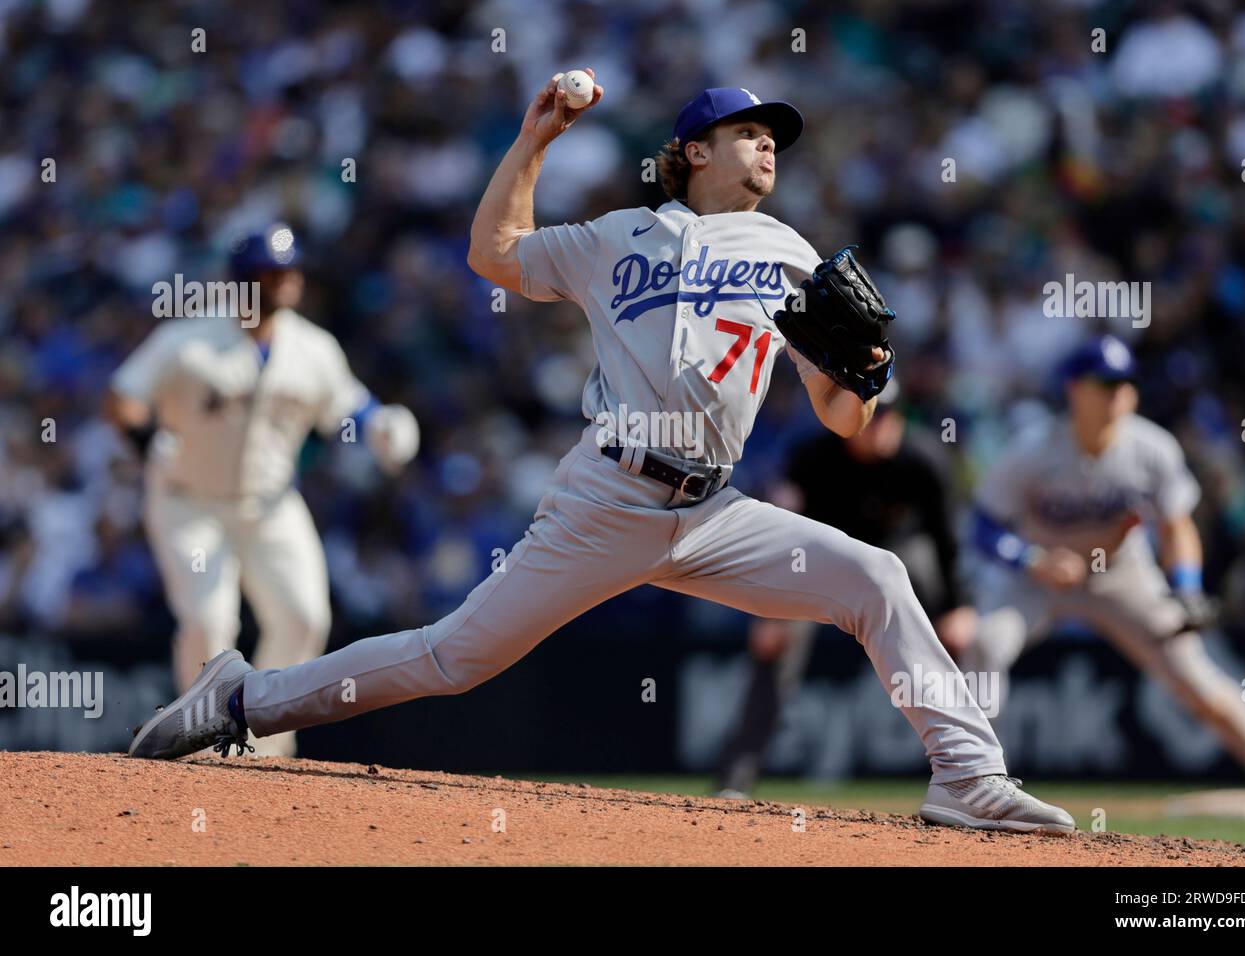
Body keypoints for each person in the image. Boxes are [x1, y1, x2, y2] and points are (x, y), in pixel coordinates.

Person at [128, 74, 1073, 833]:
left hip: (711, 511)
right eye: (749, 131)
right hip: (608, 498)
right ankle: (245, 699)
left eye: (774, 136)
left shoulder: (788, 249)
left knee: (874, 576)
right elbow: (496, 254)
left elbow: (837, 420)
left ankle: (968, 774)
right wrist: (535, 140)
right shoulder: (617, 235)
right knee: (452, 657)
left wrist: (863, 376)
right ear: (696, 150)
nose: (768, 143)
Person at [107, 226, 420, 755]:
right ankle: (198, 741)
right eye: (267, 273)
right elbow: (124, 394)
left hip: (271, 505)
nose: (281, 281)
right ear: (240, 281)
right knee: (209, 620)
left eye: (288, 271)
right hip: (189, 503)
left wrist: (381, 425)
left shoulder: (313, 348)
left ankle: (267, 743)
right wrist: (143, 439)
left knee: (305, 617)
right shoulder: (190, 340)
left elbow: (348, 406)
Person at [960, 335, 1245, 818]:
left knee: (1195, 677)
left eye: (1125, 383)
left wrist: (1184, 587)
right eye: (1106, 382)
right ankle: (975, 781)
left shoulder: (1151, 447)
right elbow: (984, 527)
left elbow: (1178, 525)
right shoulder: (1032, 449)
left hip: (1121, 575)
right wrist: (1032, 559)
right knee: (988, 643)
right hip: (1039, 575)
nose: (1119, 392)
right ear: (1075, 389)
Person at [715, 379, 977, 797]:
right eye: (874, 416)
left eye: (891, 416)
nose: (883, 426)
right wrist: (769, 614)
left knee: (944, 614)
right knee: (775, 644)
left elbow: (948, 541)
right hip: (823, 564)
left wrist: (957, 606)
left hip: (903, 565)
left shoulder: (925, 458)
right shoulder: (811, 458)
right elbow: (780, 539)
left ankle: (970, 777)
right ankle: (735, 780)